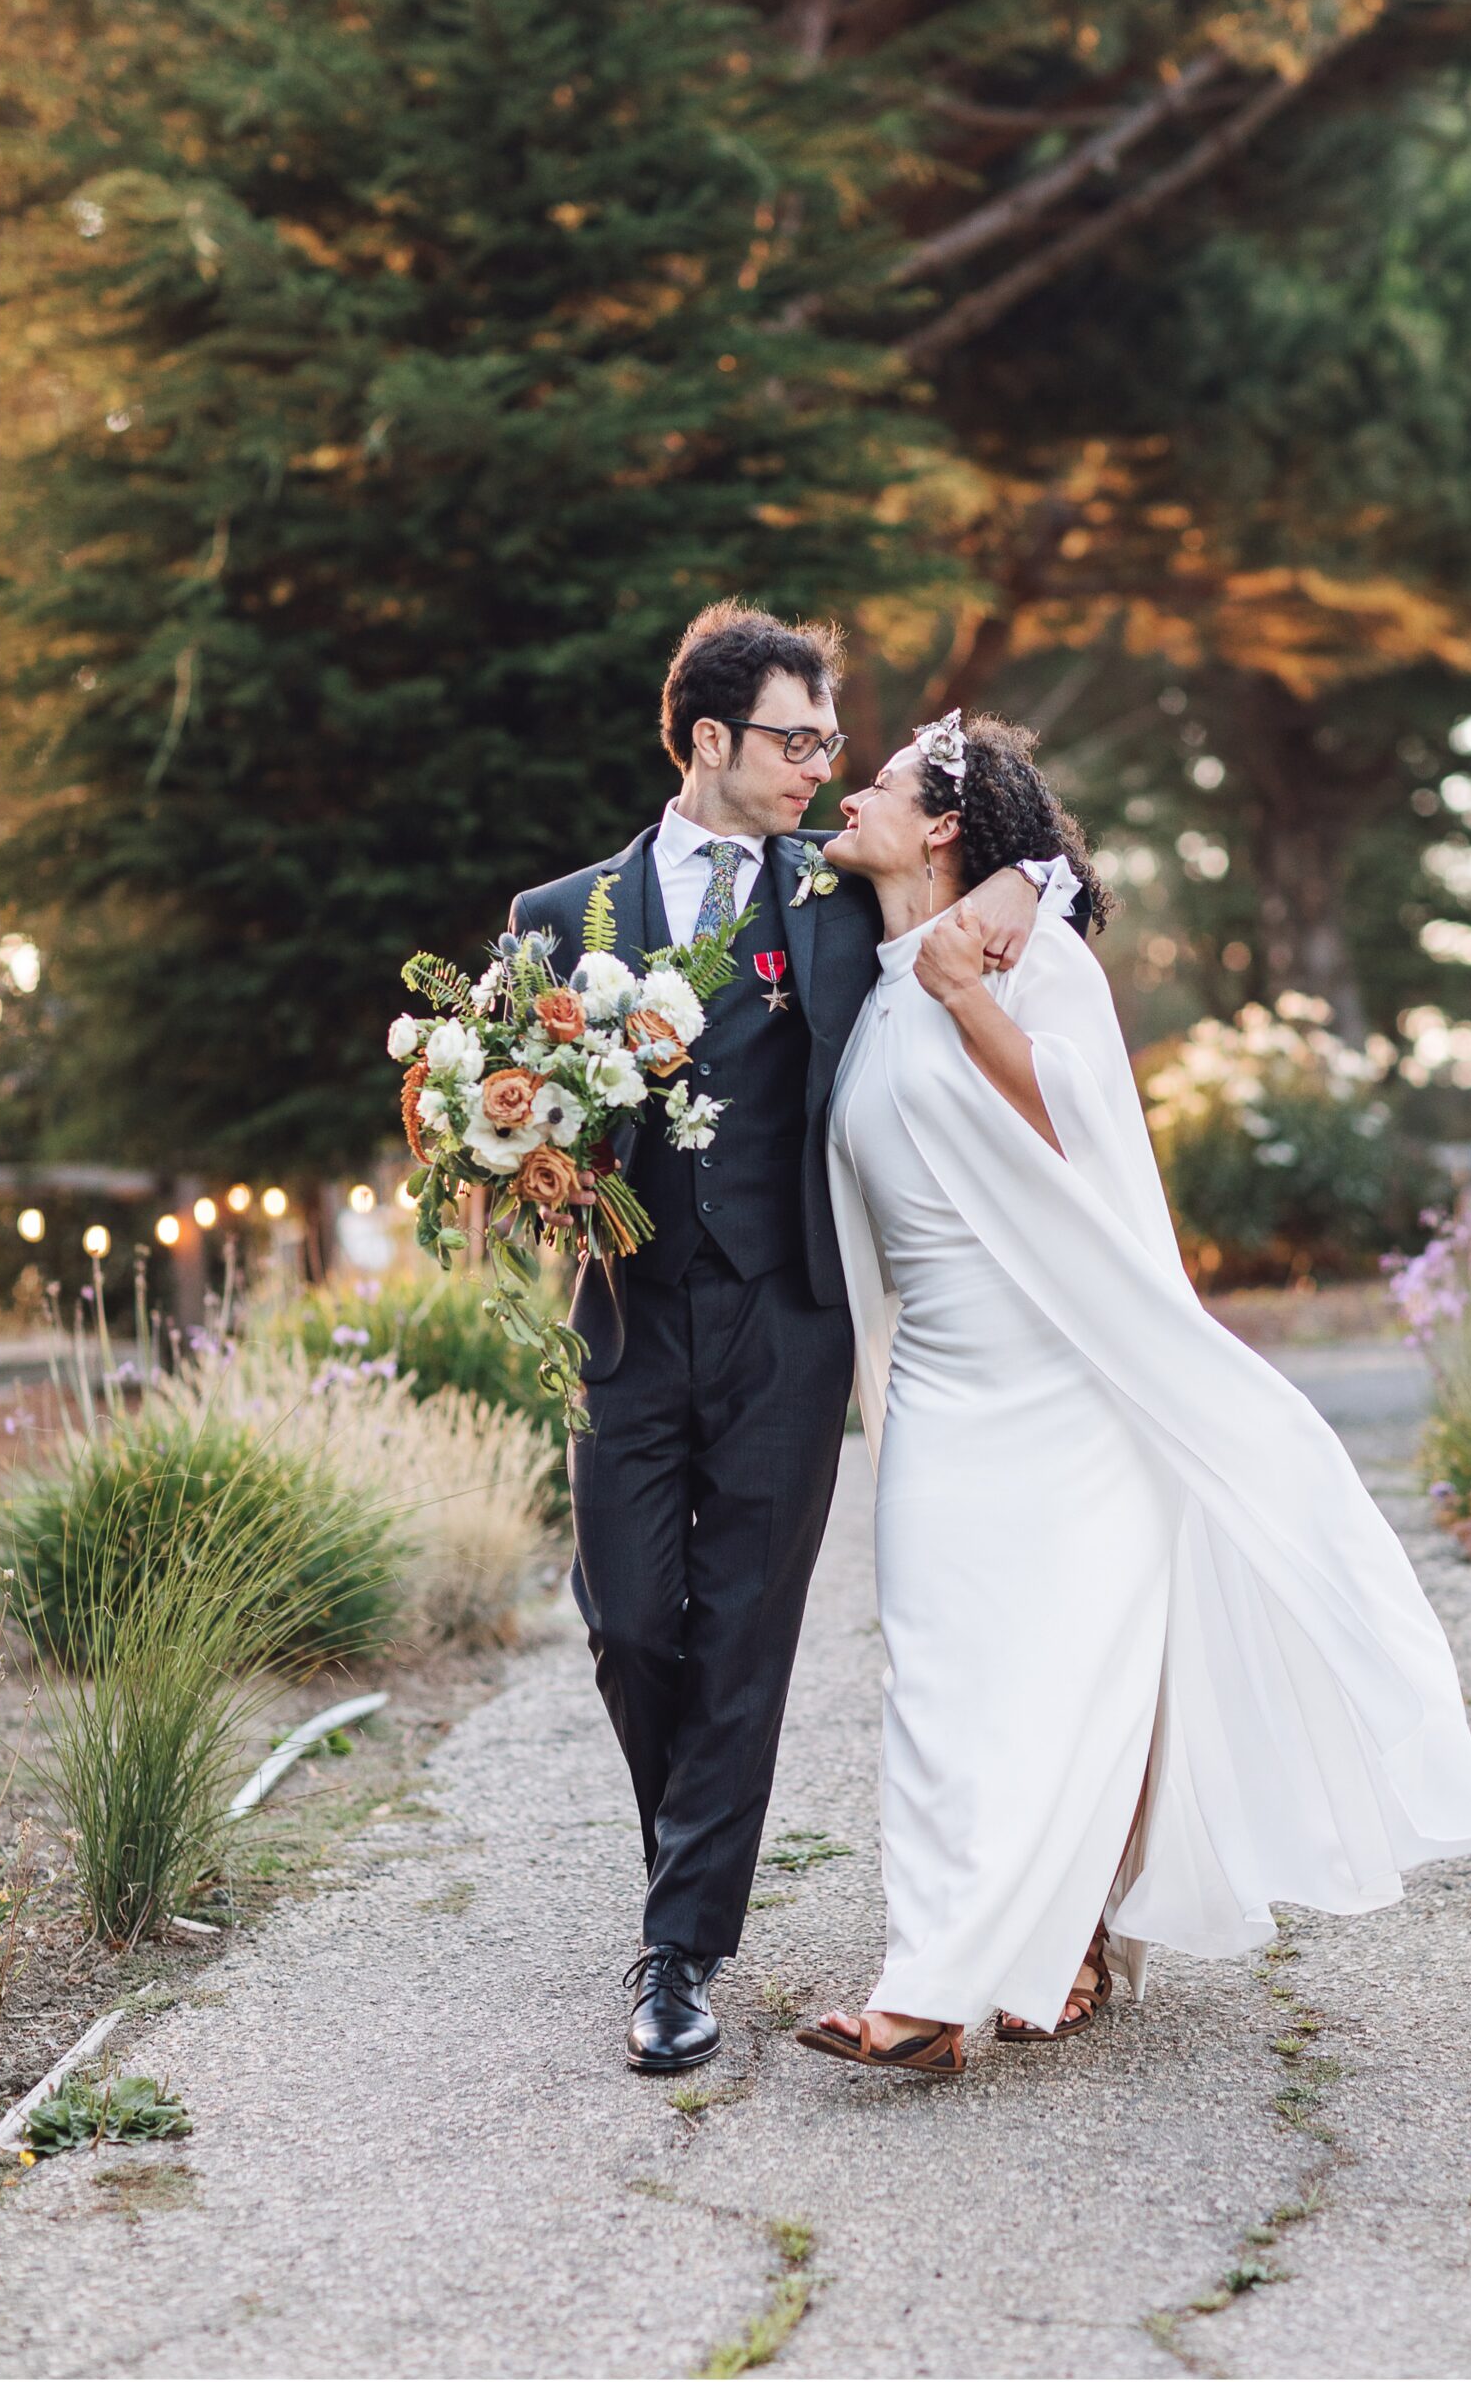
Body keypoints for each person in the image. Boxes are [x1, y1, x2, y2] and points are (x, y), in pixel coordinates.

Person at [796, 711, 1471, 2077]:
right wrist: (975, 925)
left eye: (878, 783)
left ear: (943, 825)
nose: (847, 794)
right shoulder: (866, 961)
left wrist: (971, 989)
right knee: (935, 1677)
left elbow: (1078, 1120)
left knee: (1072, 1674)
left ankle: (950, 1985)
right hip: (941, 1385)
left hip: (1070, 1379)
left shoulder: (1026, 964)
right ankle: (950, 1964)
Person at [507, 605, 1076, 2073]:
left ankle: (679, 1948)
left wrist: (1028, 869)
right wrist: (518, 1162)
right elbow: (505, 1139)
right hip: (623, 1326)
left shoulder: (830, 898)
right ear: (709, 740)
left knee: (745, 1635)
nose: (823, 766)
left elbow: (995, 853)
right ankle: (683, 1879)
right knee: (634, 1624)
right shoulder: (556, 920)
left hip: (788, 1323)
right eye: (796, 740)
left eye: (834, 742)